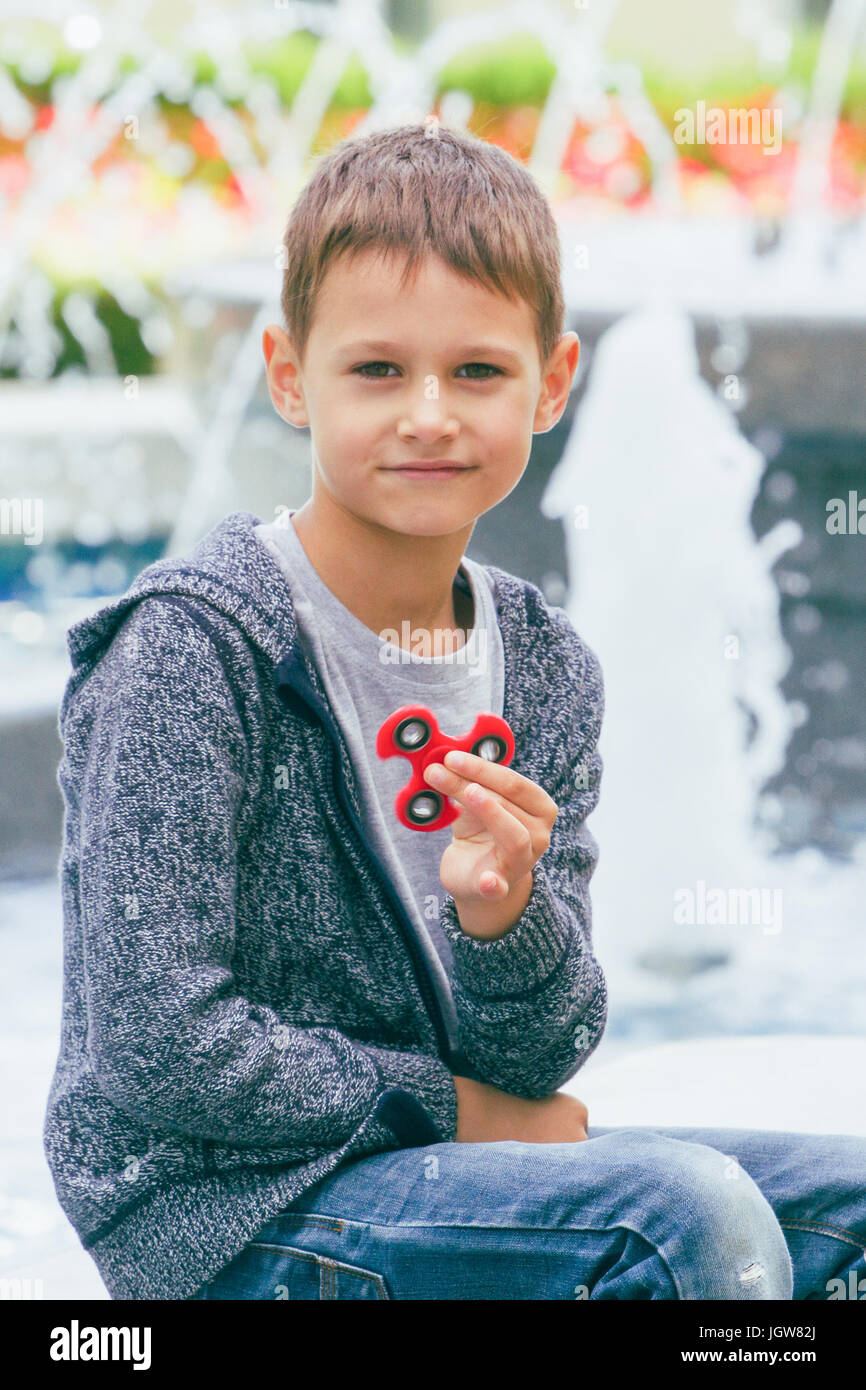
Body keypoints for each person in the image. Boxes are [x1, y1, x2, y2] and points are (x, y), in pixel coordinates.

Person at [45, 123, 865, 1301]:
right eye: (376, 370)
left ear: (551, 384)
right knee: (678, 1222)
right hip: (226, 1215)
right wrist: (453, 1108)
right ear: (288, 376)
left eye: (476, 371)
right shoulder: (192, 647)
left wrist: (503, 924)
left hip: (436, 1180)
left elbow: (542, 1058)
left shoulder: (540, 667)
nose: (427, 413)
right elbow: (157, 1043)